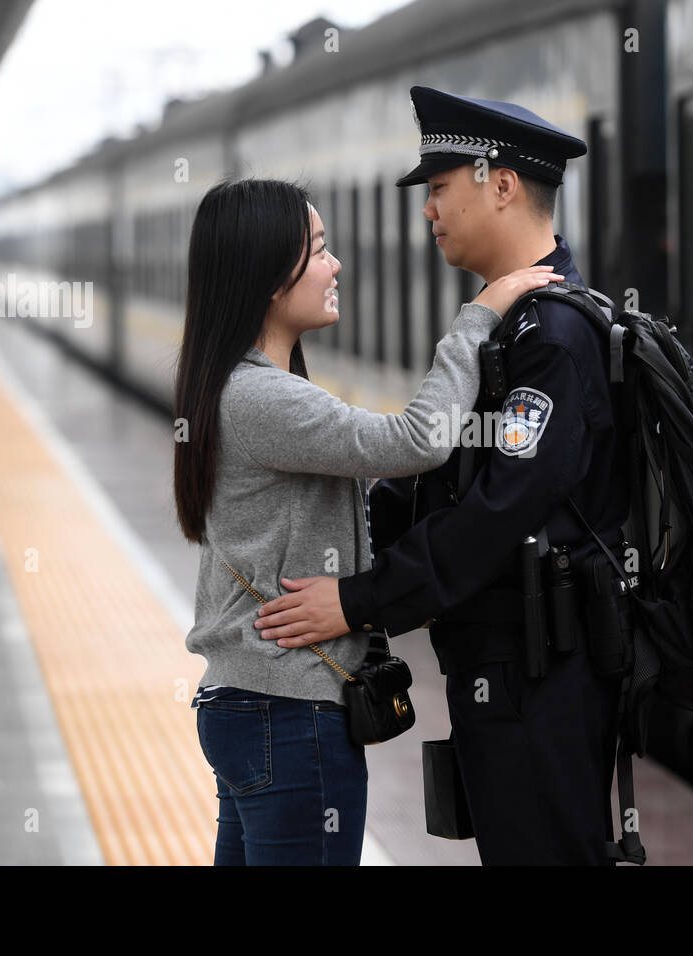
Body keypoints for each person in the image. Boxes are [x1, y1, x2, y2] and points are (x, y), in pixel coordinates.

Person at [253, 88, 631, 865]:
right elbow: (429, 481)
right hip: (505, 667)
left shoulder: (553, 337)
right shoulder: (510, 328)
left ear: (501, 185)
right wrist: (335, 560)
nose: (428, 210)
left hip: (542, 676)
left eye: (438, 188)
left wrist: (359, 600)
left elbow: (499, 510)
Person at [173, 177, 562, 865]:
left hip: (246, 704)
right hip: (288, 710)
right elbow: (417, 440)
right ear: (270, 276)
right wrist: (480, 316)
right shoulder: (264, 398)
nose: (336, 266)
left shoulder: (232, 387)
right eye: (320, 250)